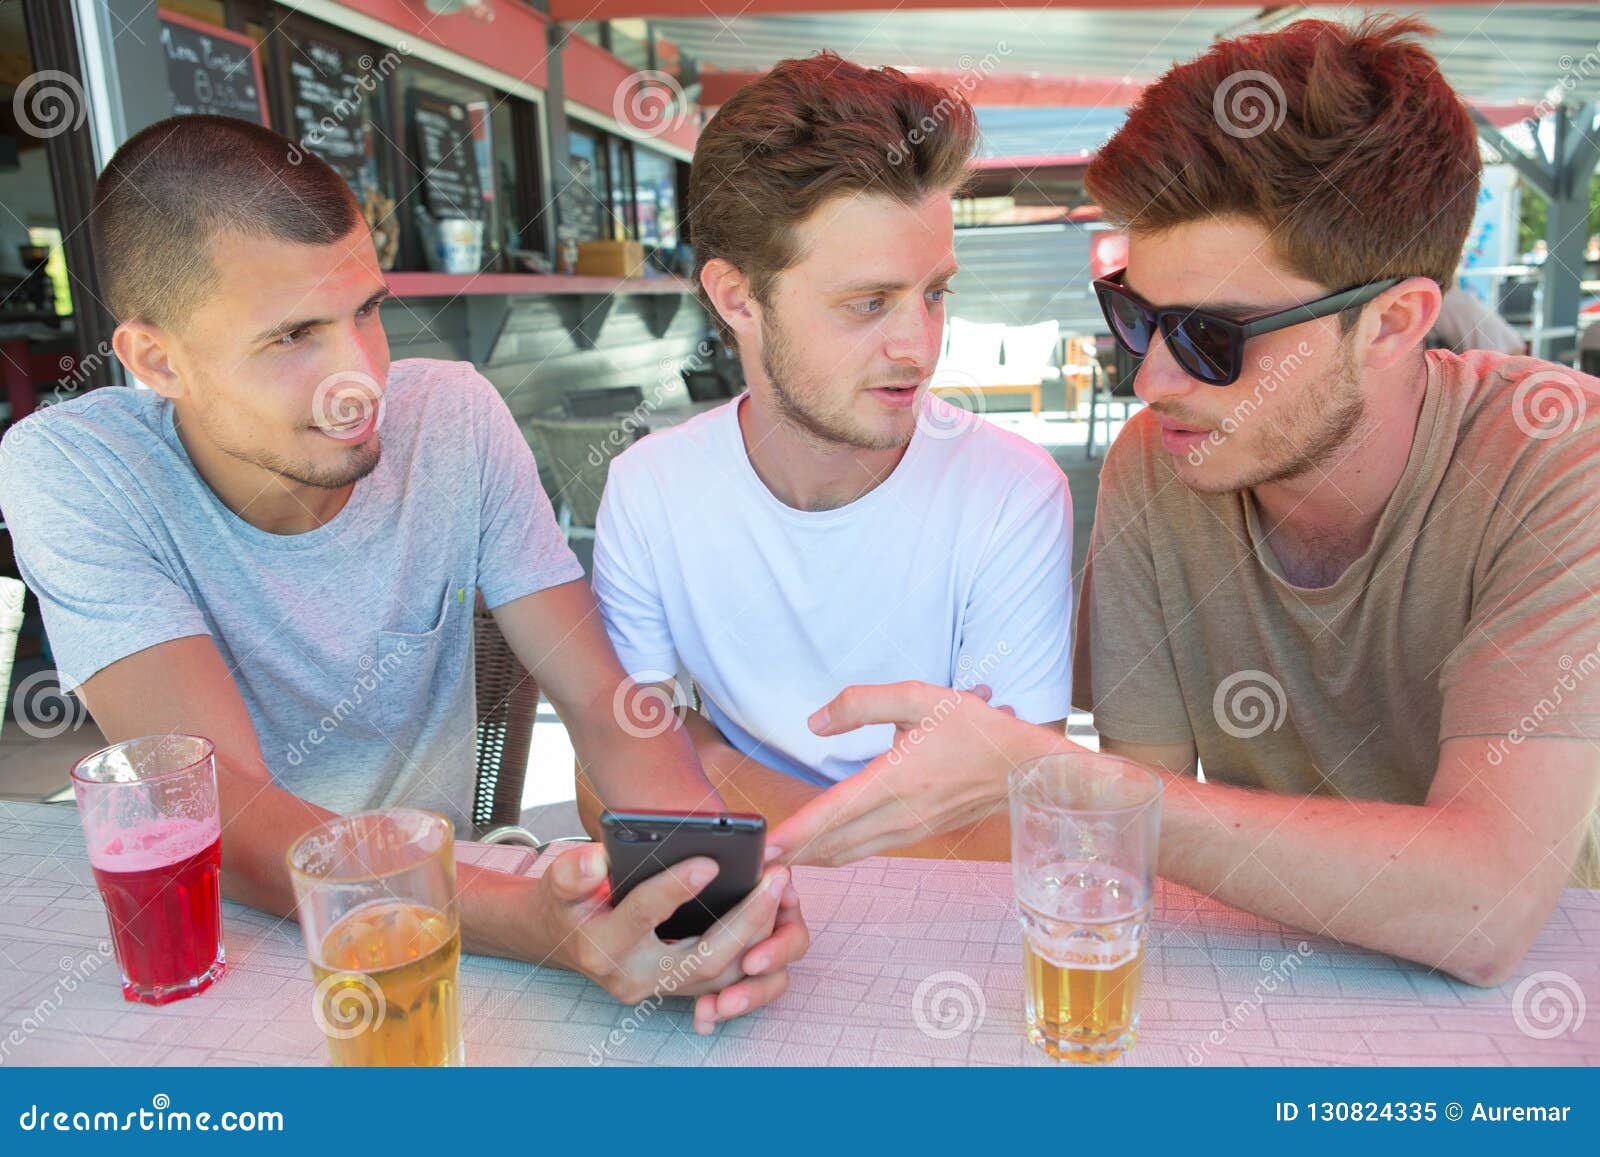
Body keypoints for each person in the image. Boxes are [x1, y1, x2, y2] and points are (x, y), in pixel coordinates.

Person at [769, 17, 1600, 988]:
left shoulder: (1555, 459)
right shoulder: (1157, 464)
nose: (1150, 378)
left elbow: (1488, 905)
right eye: (1134, 316)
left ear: (1390, 322)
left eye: (1212, 336)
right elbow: (1138, 829)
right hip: (1258, 969)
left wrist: (1043, 775)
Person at [0, 115, 806, 1032]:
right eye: (294, 334)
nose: (361, 377)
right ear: (157, 360)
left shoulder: (452, 419)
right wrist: (541, 920)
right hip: (226, 952)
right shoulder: (76, 470)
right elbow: (226, 805)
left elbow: (603, 701)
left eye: (368, 310)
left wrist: (708, 890)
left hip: (444, 948)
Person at [588, 53, 1074, 860]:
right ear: (737, 297)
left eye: (935, 293)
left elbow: (1012, 830)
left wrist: (704, 762)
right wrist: (898, 817)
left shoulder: (1012, 493)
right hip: (739, 923)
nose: (917, 348)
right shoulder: (652, 488)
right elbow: (606, 783)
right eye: (869, 302)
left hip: (938, 939)